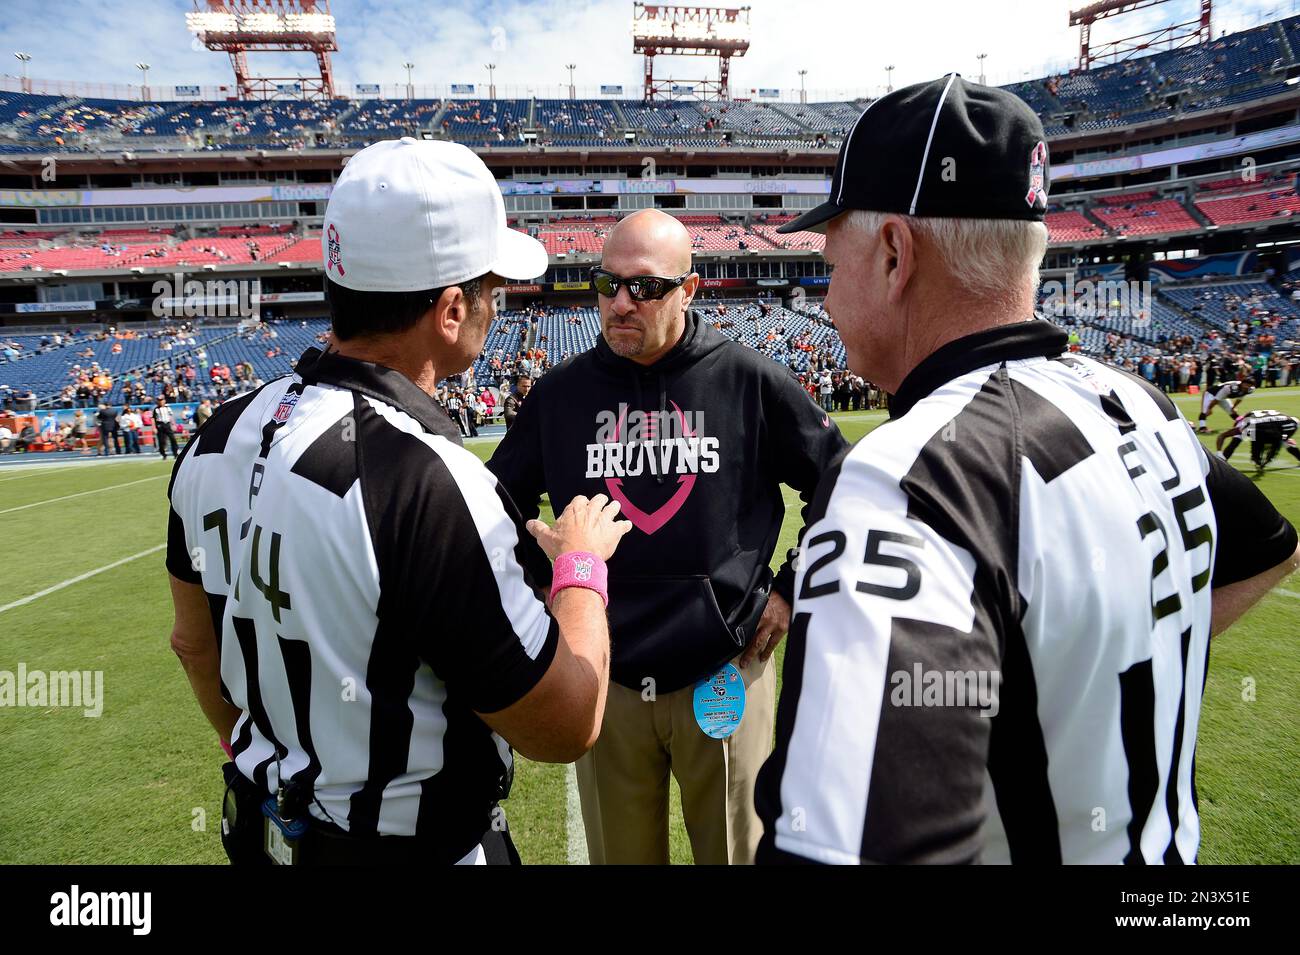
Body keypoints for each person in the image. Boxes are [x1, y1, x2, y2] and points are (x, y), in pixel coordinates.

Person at [754, 75, 1299, 865]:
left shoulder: (904, 479)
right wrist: (1086, 672)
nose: (826, 295)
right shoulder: (1140, 403)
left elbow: (844, 847)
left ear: (895, 255)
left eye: (832, 262)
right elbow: (1270, 547)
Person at [167, 137, 630, 866]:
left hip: (268, 833)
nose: (497, 305)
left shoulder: (215, 437)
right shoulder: (429, 483)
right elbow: (565, 723)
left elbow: (194, 644)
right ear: (451, 309)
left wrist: (271, 769)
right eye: (489, 287)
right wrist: (581, 566)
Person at [489, 208, 848, 865]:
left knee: (738, 854)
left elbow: (838, 478)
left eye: (646, 287)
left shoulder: (746, 378)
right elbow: (496, 504)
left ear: (689, 289)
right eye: (607, 284)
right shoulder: (561, 395)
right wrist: (546, 586)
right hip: (603, 673)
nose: (621, 302)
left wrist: (790, 586)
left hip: (725, 666)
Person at [1216, 409, 1300, 473]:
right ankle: (1223, 462)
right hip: (1276, 424)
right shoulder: (1249, 422)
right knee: (1283, 441)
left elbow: (1222, 435)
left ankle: (1222, 462)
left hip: (1272, 425)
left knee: (1238, 440)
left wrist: (1219, 452)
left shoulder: (1248, 424)